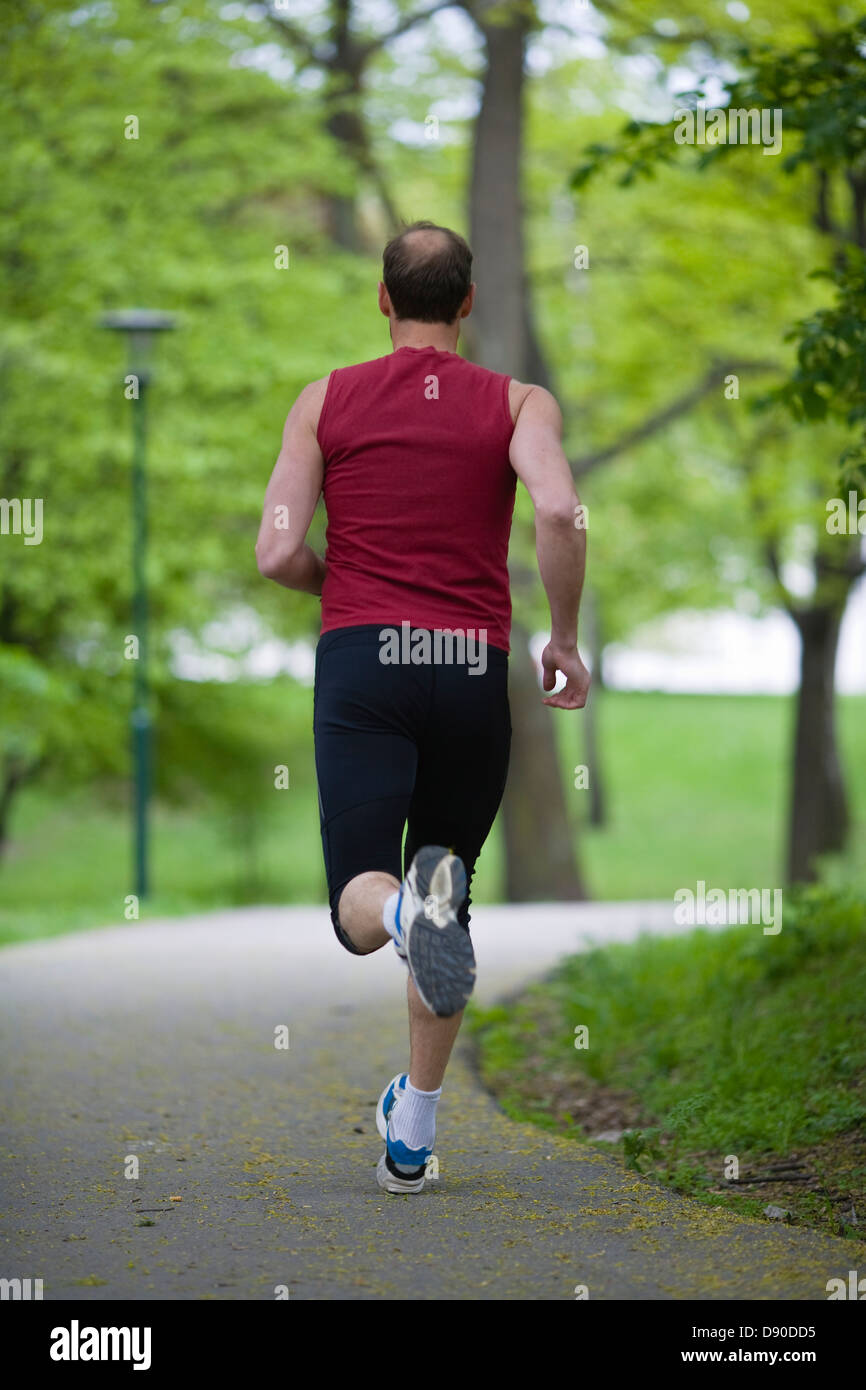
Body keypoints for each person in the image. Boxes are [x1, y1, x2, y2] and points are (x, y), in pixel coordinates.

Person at [256, 220, 589, 1194]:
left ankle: (400, 913)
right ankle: (411, 1134)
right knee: (446, 889)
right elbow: (561, 511)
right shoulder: (518, 401)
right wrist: (562, 637)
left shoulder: (323, 401)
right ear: (469, 302)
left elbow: (276, 549)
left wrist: (338, 583)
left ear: (381, 296)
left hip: (366, 660)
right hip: (468, 665)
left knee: (363, 905)